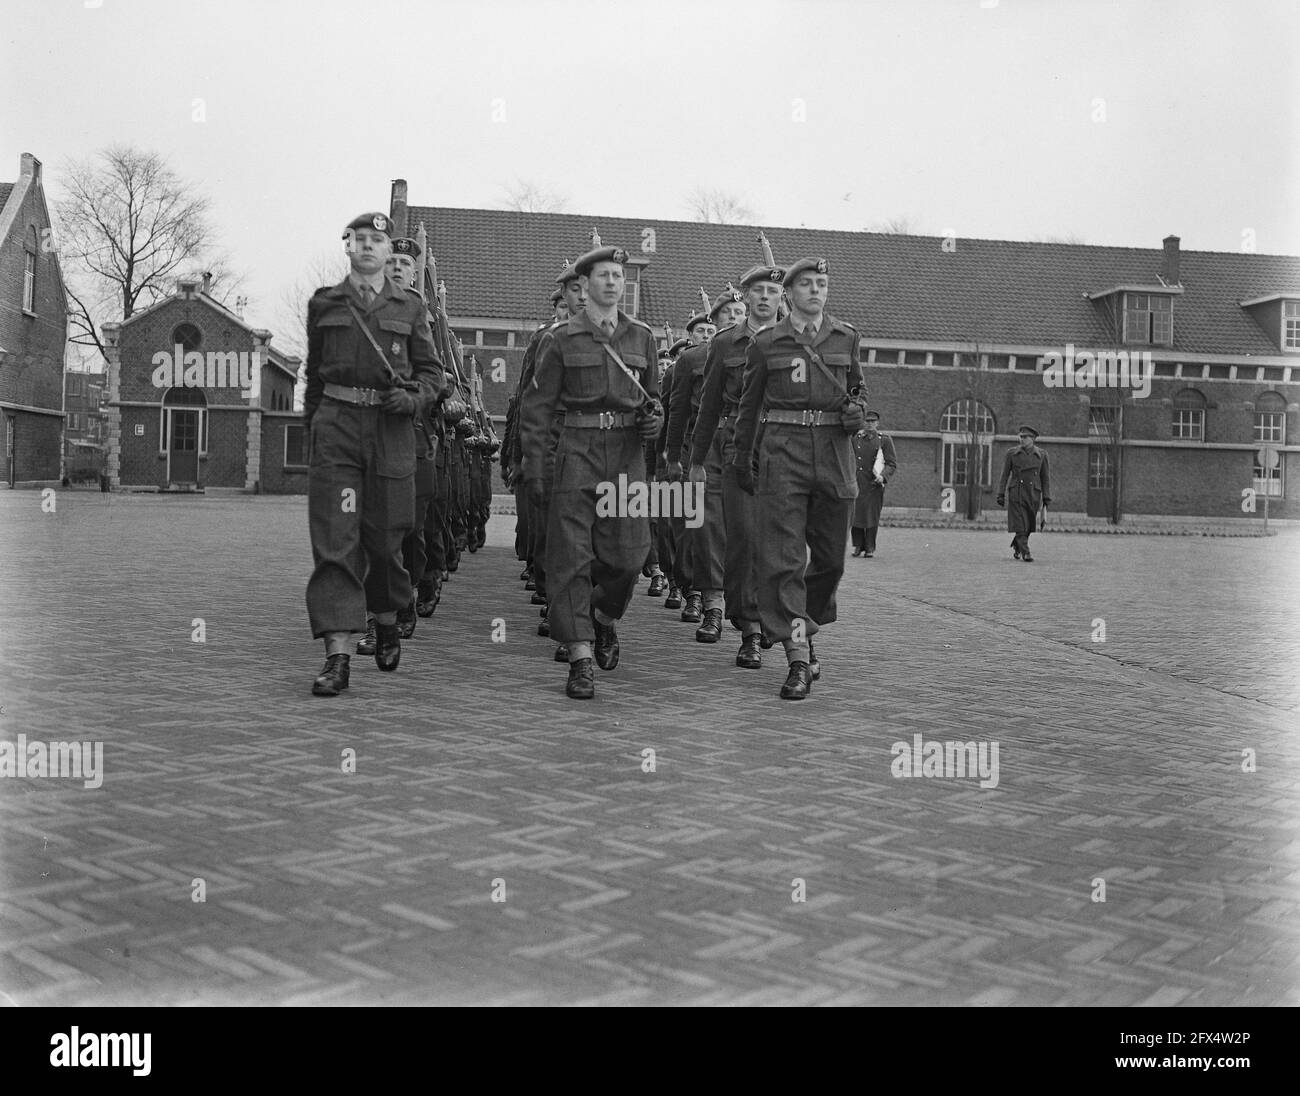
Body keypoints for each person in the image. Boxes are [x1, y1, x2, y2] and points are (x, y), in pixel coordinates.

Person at [304, 212, 444, 696]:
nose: (367, 246)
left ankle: (386, 616)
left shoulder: (409, 308)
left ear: (389, 253)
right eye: (359, 239)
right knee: (335, 544)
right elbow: (314, 379)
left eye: (376, 240)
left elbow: (433, 375)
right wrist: (313, 436)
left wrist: (415, 399)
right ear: (348, 247)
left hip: (389, 434)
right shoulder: (325, 303)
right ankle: (337, 653)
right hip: (337, 433)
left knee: (384, 543)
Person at [519, 245, 662, 699]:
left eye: (619, 276)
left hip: (625, 455)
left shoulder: (642, 338)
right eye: (603, 275)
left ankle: (602, 620)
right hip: (576, 452)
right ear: (585, 284)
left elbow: (654, 400)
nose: (612, 282)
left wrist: (655, 422)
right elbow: (536, 409)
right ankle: (580, 657)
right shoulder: (561, 339)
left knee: (628, 557)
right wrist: (536, 467)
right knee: (571, 558)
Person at [732, 257, 866, 700]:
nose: (814, 290)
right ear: (790, 293)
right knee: (784, 560)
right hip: (782, 453)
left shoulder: (847, 337)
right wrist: (742, 458)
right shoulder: (767, 342)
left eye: (821, 283)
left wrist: (856, 413)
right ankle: (797, 655)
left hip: (833, 455)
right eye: (806, 284)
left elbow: (858, 390)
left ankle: (805, 628)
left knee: (831, 561)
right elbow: (749, 408)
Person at [689, 264, 784, 667]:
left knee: (780, 542)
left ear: (783, 299)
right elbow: (708, 406)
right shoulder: (726, 344)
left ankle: (786, 625)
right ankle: (749, 628)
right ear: (745, 298)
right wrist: (695, 460)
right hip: (735, 446)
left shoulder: (797, 340)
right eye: (757, 291)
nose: (765, 298)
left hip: (783, 448)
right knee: (742, 539)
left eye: (773, 292)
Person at [667, 287, 746, 641]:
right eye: (726, 311)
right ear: (713, 320)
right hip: (707, 443)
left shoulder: (769, 348)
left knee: (745, 530)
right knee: (705, 525)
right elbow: (679, 411)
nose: (733, 316)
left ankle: (748, 613)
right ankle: (710, 603)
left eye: (738, 310)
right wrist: (673, 457)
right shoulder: (692, 359)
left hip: (753, 443)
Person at [662, 311, 716, 621]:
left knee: (714, 528)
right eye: (701, 330)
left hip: (718, 449)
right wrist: (669, 458)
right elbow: (674, 415)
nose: (707, 334)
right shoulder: (682, 366)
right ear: (691, 335)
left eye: (712, 329)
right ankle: (691, 591)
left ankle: (713, 594)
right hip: (686, 448)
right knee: (686, 526)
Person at [996, 426, 1051, 562]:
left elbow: (1045, 477)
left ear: (1032, 439)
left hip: (1033, 494)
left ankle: (1017, 545)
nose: (1022, 439)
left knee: (1028, 525)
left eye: (1025, 437)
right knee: (1020, 523)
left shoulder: (1042, 455)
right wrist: (1000, 494)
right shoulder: (1012, 454)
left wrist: (1046, 497)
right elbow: (1004, 475)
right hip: (1017, 492)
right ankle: (1026, 552)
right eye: (1020, 437)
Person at [850, 410, 897, 557]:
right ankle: (858, 546)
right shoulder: (855, 439)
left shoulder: (884, 440)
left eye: (872, 421)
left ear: (877, 423)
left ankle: (869, 547)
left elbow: (891, 463)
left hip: (873, 485)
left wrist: (883, 477)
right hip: (857, 482)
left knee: (871, 516)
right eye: (867, 421)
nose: (870, 424)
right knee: (855, 515)